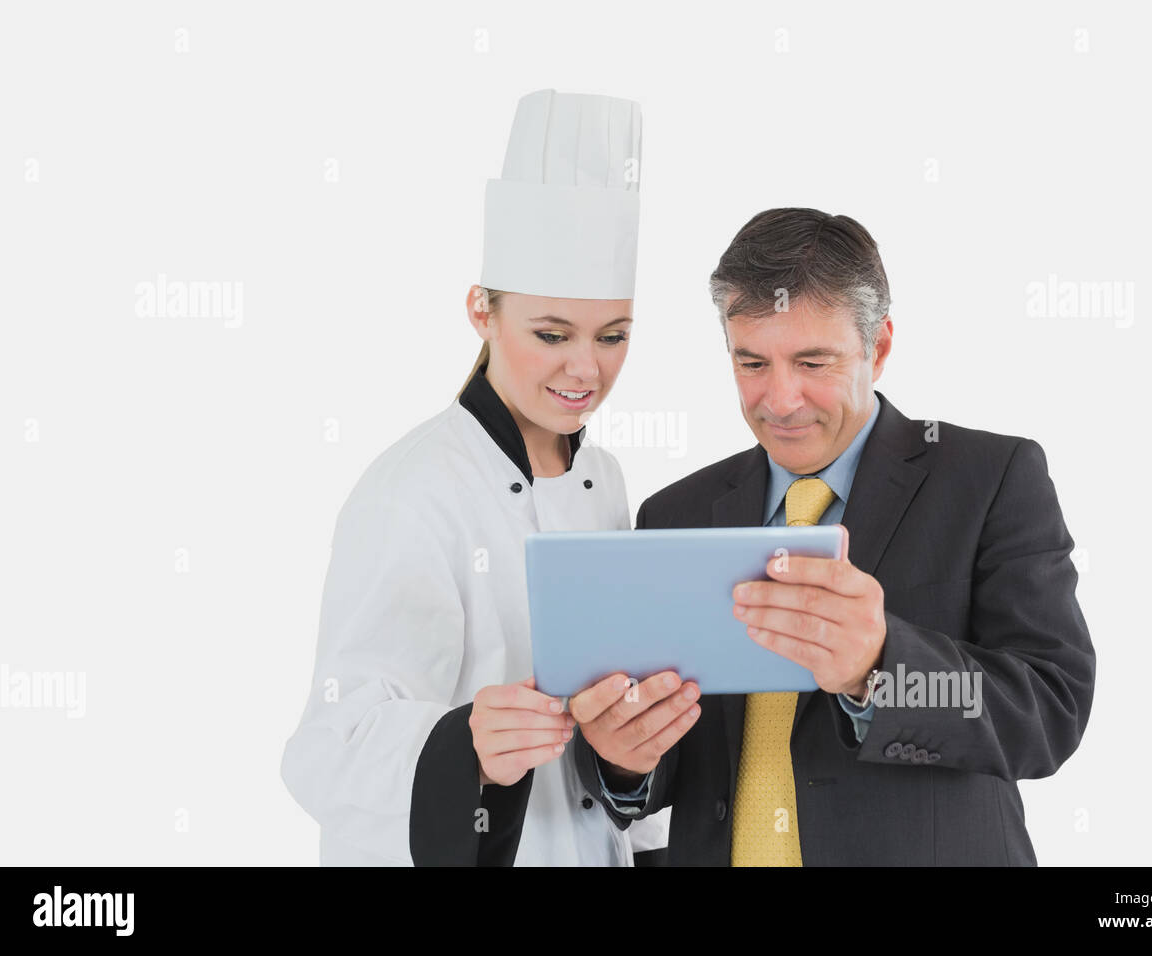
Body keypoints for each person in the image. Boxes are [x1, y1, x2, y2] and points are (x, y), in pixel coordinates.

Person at [567, 207, 1096, 865]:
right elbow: (673, 765)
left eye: (813, 361)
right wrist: (624, 761)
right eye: (752, 362)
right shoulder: (676, 512)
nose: (781, 399)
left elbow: (1050, 709)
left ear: (878, 347)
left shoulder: (989, 479)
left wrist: (879, 668)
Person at [279, 89, 669, 865]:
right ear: (480, 310)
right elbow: (328, 746)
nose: (585, 368)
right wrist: (466, 742)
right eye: (551, 333)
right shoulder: (413, 490)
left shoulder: (608, 479)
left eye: (614, 335)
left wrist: (631, 758)